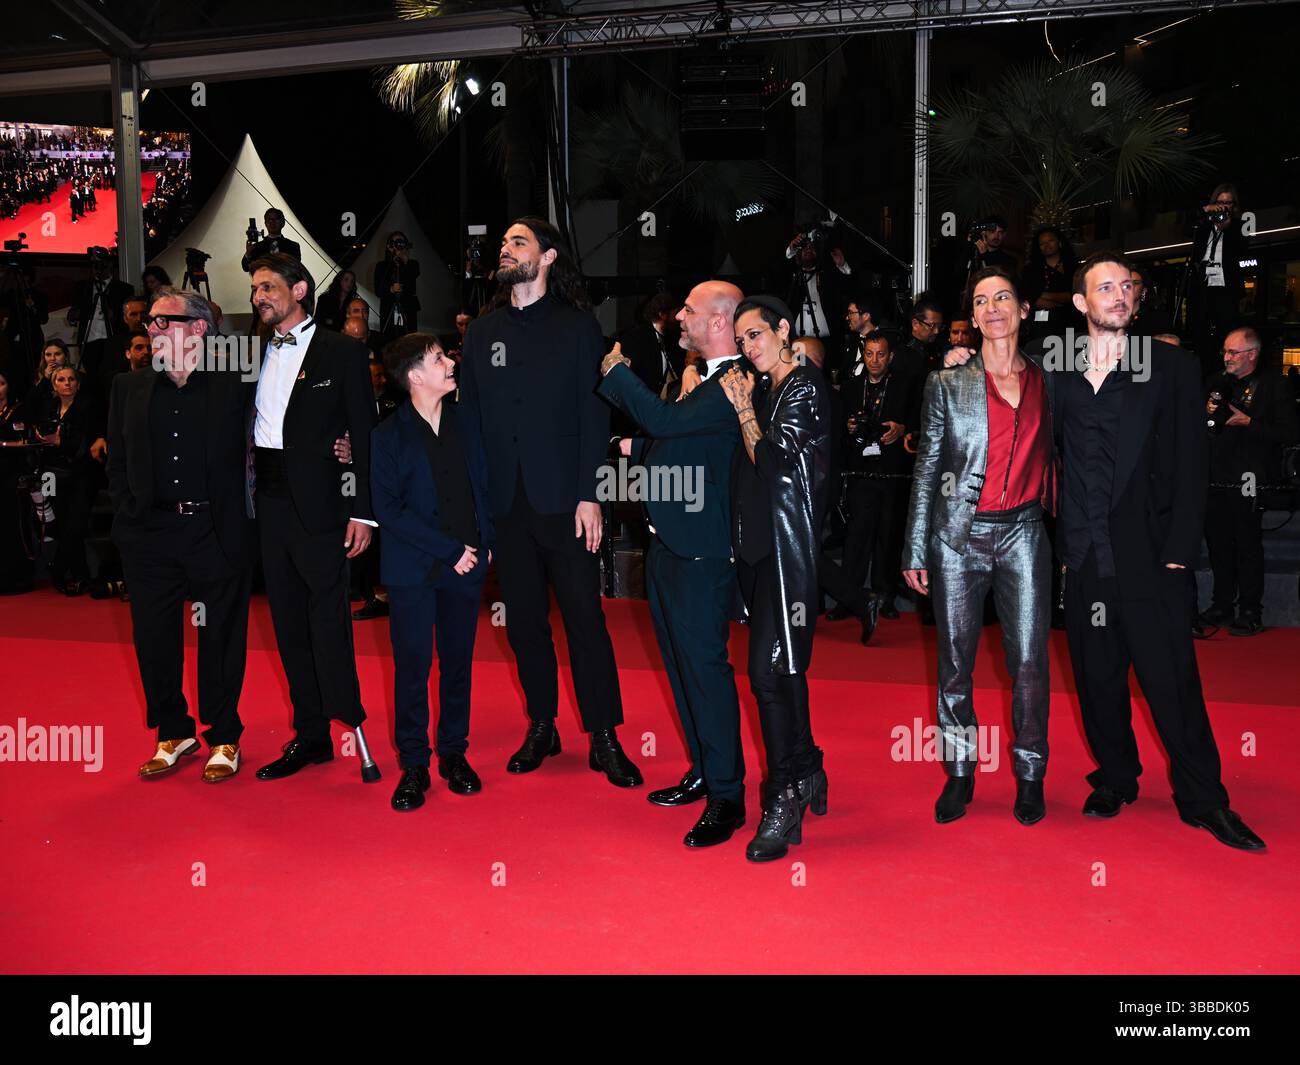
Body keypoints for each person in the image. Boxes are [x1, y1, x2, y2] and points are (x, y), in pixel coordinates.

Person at [1059, 254, 1264, 850]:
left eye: (1127, 286)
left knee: (1171, 681)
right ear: (1081, 304)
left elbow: (1190, 463)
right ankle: (1117, 778)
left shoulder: (1169, 365)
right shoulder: (1059, 368)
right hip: (1084, 555)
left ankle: (1204, 798)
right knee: (1097, 681)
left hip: (1152, 556)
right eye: (1105, 287)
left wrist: (1180, 551)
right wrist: (959, 359)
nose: (1119, 295)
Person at [457, 216, 641, 787]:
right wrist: (475, 509)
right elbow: (471, 422)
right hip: (506, 505)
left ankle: (605, 735)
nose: (506, 250)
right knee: (525, 625)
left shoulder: (580, 327)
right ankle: (542, 724)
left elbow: (594, 417)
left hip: (566, 502)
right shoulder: (482, 332)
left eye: (519, 242)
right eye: (505, 243)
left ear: (549, 256)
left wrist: (592, 495)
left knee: (586, 620)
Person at [902, 268, 1056, 825]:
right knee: (954, 664)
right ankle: (960, 772)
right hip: (957, 539)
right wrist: (916, 547)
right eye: (981, 300)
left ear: (1023, 309)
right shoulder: (948, 382)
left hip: (1024, 534)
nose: (992, 308)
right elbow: (926, 469)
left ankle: (1031, 773)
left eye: (1003, 297)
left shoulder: (1048, 379)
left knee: (1031, 661)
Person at [598, 280, 748, 848]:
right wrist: (638, 448)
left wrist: (616, 373)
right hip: (670, 546)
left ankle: (728, 796)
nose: (678, 317)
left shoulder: (733, 383)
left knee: (705, 673)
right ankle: (707, 770)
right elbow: (677, 438)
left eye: (688, 309)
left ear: (717, 322)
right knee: (682, 671)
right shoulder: (703, 383)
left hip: (702, 553)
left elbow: (665, 423)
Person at [110, 288, 256, 784]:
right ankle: (172, 731)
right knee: (153, 637)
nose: (149, 330)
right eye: (148, 323)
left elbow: (273, 438)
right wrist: (129, 515)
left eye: (161, 321)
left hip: (213, 529)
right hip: (149, 533)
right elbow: (117, 461)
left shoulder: (235, 384)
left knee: (219, 637)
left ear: (197, 329)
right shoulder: (127, 387)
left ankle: (223, 735)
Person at [248, 254, 379, 782]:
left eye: (269, 286)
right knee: (286, 624)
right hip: (267, 503)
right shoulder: (247, 351)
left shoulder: (342, 352)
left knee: (328, 623)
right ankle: (310, 735)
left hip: (323, 505)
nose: (259, 296)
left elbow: (364, 435)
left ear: (299, 288)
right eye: (255, 287)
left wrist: (365, 513)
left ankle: (350, 720)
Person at [718, 295, 831, 862]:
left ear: (784, 330)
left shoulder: (803, 386)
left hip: (791, 555)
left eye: (756, 335)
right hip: (761, 552)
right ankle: (808, 767)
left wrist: (743, 410)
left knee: (764, 675)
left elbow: (776, 460)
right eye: (741, 340)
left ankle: (783, 796)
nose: (748, 347)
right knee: (783, 670)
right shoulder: (766, 388)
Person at [372, 333, 494, 810]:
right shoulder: (386, 436)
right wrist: (450, 550)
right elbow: (390, 510)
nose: (449, 362)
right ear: (414, 376)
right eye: (438, 358)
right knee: (413, 666)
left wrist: (486, 546)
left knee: (458, 664)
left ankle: (453, 753)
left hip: (468, 565)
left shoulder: (468, 423)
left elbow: (484, 487)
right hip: (413, 569)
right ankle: (414, 764)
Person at [1200, 327, 1299, 636]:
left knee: (1246, 544)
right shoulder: (1217, 382)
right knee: (1217, 543)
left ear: (1252, 354)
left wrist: (1249, 423)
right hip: (1215, 475)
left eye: (1233, 352)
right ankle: (1221, 604)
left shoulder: (1274, 386)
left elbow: (1289, 434)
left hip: (1251, 478)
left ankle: (1250, 609)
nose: (1227, 358)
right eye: (1225, 352)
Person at [838, 330, 916, 623]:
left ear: (890, 356)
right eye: (869, 354)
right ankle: (849, 597)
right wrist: (849, 428)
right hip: (860, 471)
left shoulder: (905, 386)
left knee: (888, 536)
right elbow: (839, 431)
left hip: (893, 471)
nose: (874, 360)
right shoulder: (850, 387)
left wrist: (902, 427)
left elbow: (919, 424)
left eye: (880, 354)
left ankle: (884, 597)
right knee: (856, 537)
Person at [33, 366, 106, 595]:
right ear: (54, 385)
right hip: (50, 474)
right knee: (59, 525)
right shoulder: (49, 408)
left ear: (78, 383)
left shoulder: (88, 407)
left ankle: (59, 570)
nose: (67, 383)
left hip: (80, 474)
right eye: (61, 380)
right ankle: (80, 574)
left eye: (71, 379)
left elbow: (85, 445)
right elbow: (40, 440)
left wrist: (59, 443)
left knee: (75, 526)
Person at [1188, 183, 1246, 379]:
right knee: (1201, 334)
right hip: (1203, 286)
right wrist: (1206, 212)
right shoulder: (1204, 226)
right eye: (1220, 202)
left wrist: (1227, 228)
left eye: (1228, 203)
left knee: (1226, 334)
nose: (1223, 207)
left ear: (1234, 205)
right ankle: (1203, 375)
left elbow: (1244, 249)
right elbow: (1186, 227)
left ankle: (1224, 377)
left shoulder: (1240, 225)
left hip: (1226, 288)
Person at [785, 234, 851, 357]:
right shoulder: (793, 277)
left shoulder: (827, 276)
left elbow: (848, 288)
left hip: (825, 342)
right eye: (804, 247)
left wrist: (842, 265)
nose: (808, 249)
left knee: (825, 374)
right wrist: (792, 247)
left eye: (812, 247)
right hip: (799, 343)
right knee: (800, 374)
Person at [68, 258, 133, 383]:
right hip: (89, 340)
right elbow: (75, 310)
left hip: (113, 340)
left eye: (100, 264)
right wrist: (74, 315)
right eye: (94, 265)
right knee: (92, 379)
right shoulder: (82, 287)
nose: (97, 269)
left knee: (112, 377)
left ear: (109, 265)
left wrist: (115, 316)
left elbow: (129, 317)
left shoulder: (124, 289)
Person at [0, 370, 34, 594]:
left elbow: (28, 441)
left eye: (1, 383)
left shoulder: (19, 410)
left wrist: (4, 445)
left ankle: (18, 578)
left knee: (13, 527)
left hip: (13, 478)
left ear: (7, 386)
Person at [1019, 226, 1079, 335]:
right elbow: (1029, 297)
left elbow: (1075, 295)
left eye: (1050, 241)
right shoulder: (1031, 270)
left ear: (1059, 242)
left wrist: (1044, 295)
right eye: (1042, 243)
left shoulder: (1072, 266)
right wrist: (1060, 299)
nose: (1047, 245)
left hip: (1070, 321)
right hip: (1041, 322)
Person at [374, 231, 420, 344]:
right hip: (389, 308)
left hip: (407, 308)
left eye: (401, 242)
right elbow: (378, 290)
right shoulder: (381, 266)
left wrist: (405, 261)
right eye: (396, 242)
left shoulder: (413, 264)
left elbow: (412, 278)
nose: (399, 245)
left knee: (410, 340)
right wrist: (391, 289)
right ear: (389, 246)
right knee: (389, 340)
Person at [240, 207, 301, 272]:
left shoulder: (293, 246)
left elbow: (296, 269)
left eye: (276, 219)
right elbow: (245, 268)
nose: (272, 222)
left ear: (283, 223)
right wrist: (248, 254)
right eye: (269, 219)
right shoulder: (257, 247)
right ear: (265, 223)